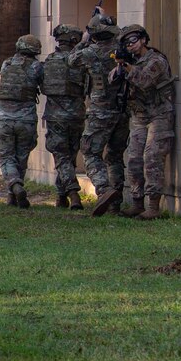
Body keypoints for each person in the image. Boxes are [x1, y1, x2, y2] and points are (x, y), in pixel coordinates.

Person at [71, 12, 129, 216]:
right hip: (123, 111)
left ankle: (104, 190)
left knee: (90, 152)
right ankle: (115, 205)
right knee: (114, 155)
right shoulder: (122, 50)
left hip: (100, 111)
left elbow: (71, 60)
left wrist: (84, 41)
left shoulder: (89, 52)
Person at [114, 25, 176, 219]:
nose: (130, 46)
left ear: (143, 40)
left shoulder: (156, 60)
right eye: (126, 43)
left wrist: (128, 68)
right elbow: (112, 80)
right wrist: (119, 68)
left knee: (152, 158)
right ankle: (137, 203)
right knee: (133, 159)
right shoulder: (131, 62)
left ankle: (153, 207)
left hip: (159, 115)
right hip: (140, 116)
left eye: (133, 41)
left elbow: (145, 80)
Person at [41, 24, 88, 209]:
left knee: (61, 157)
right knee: (69, 156)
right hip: (76, 114)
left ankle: (73, 193)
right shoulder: (80, 60)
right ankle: (61, 196)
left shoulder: (49, 61)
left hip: (55, 116)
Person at [0, 34, 44, 208]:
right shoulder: (37, 67)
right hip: (26, 120)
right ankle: (14, 191)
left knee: (7, 157)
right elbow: (44, 86)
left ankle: (14, 187)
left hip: (3, 119)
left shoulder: (6, 64)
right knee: (22, 157)